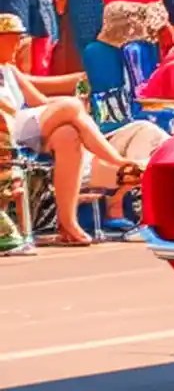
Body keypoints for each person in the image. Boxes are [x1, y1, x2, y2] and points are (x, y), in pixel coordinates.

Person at [0, 14, 142, 245]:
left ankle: (67, 223)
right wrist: (68, 108)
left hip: (23, 127)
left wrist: (69, 113)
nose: (18, 44)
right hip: (4, 130)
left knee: (68, 135)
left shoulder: (10, 71)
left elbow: (41, 103)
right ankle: (118, 162)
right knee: (71, 106)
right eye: (12, 39)